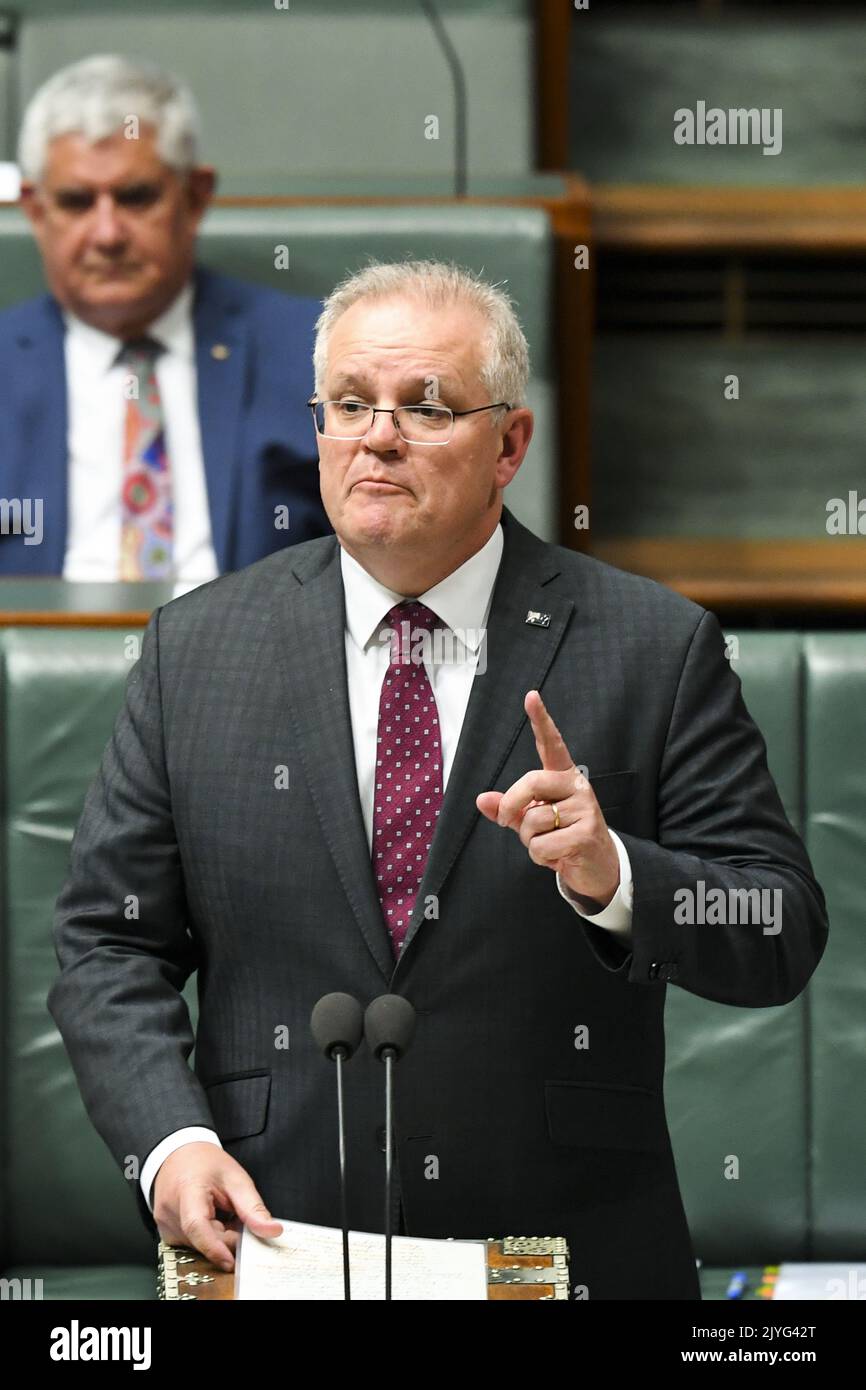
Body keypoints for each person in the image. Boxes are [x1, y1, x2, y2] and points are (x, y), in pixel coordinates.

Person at [48, 260, 828, 1300]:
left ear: (509, 443)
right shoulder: (198, 650)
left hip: (560, 1247)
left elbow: (775, 927)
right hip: (275, 1238)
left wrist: (616, 878)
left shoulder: (651, 645)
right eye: (350, 406)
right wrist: (170, 1141)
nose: (378, 435)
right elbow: (108, 942)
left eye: (424, 408)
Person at [0, 54, 330, 587]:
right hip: (36, 660)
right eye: (76, 202)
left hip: (250, 659)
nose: (107, 234)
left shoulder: (313, 351)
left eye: (135, 198)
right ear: (36, 211)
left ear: (195, 198)